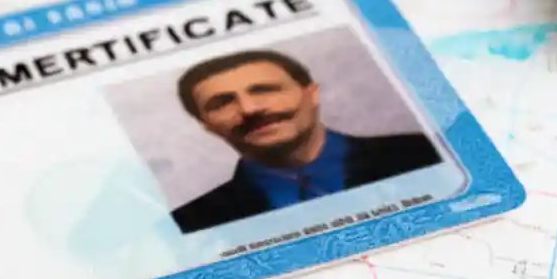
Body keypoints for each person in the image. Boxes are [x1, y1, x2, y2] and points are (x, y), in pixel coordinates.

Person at [171, 49, 442, 234]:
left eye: (265, 90)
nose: (249, 108)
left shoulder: (425, 153)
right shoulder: (191, 223)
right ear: (205, 124)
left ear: (311, 94)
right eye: (222, 103)